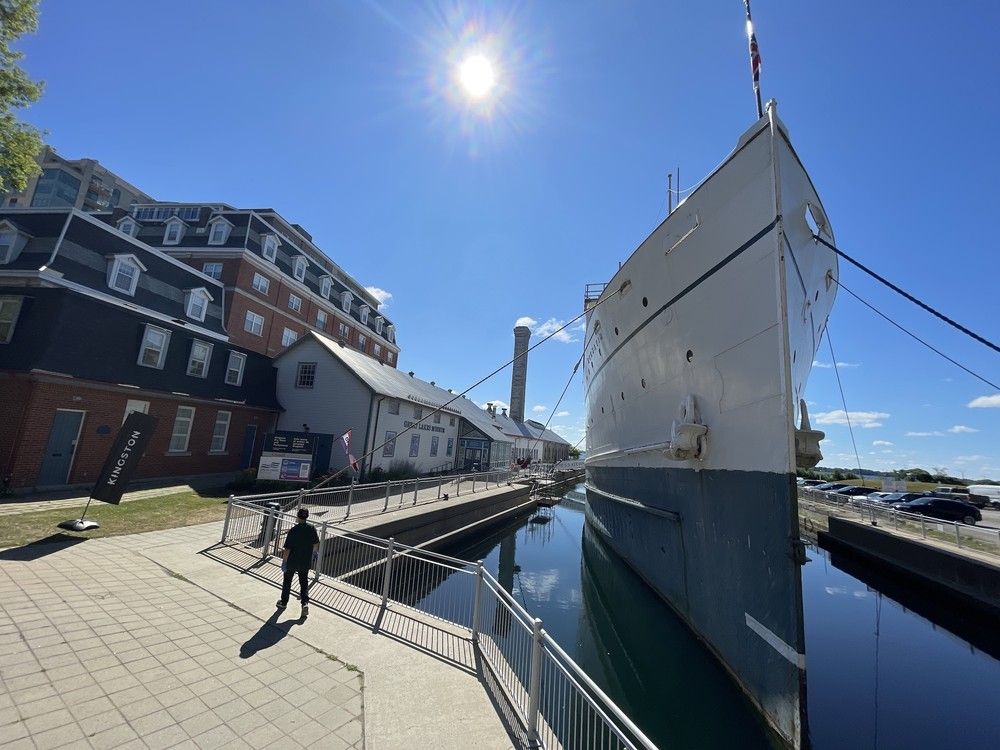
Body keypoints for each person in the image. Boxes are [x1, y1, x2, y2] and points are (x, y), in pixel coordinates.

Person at [277, 507, 320, 615]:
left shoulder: (293, 530)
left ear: (297, 517)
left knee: (287, 581)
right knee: (304, 582)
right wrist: (314, 553)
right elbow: (316, 543)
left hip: (292, 561)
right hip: (305, 561)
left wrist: (284, 562)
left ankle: (283, 602)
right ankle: (304, 603)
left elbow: (287, 549)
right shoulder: (311, 528)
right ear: (307, 517)